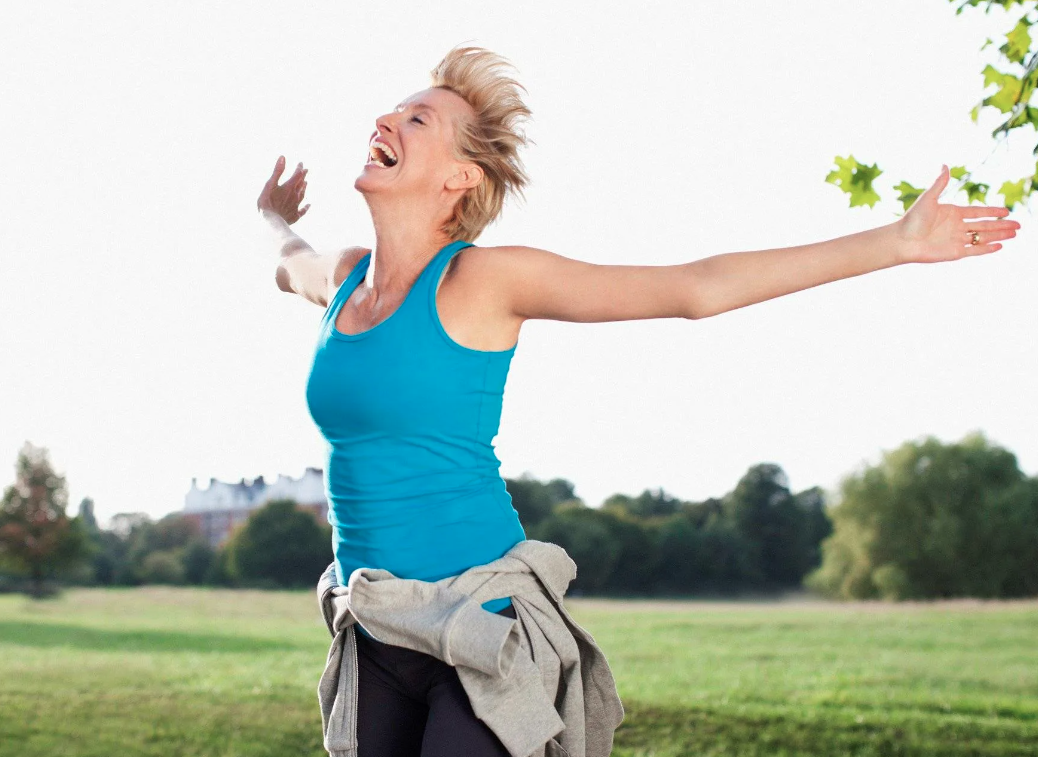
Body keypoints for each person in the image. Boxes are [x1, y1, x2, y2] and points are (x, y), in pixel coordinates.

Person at [256, 44, 1021, 757]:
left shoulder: (483, 280)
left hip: (479, 628)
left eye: (417, 119)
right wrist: (273, 216)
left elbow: (693, 289)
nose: (387, 120)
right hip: (376, 626)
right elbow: (289, 259)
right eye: (395, 111)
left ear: (460, 177)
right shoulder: (345, 278)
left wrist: (893, 241)